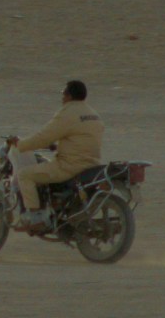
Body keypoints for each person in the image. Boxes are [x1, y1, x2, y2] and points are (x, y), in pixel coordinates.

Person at [5, 79, 101, 228]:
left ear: (69, 95)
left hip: (69, 167)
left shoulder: (68, 113)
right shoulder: (93, 113)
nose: (62, 97)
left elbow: (44, 137)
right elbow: (80, 138)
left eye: (63, 93)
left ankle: (36, 219)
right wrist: (58, 146)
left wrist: (21, 145)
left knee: (24, 175)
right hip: (91, 165)